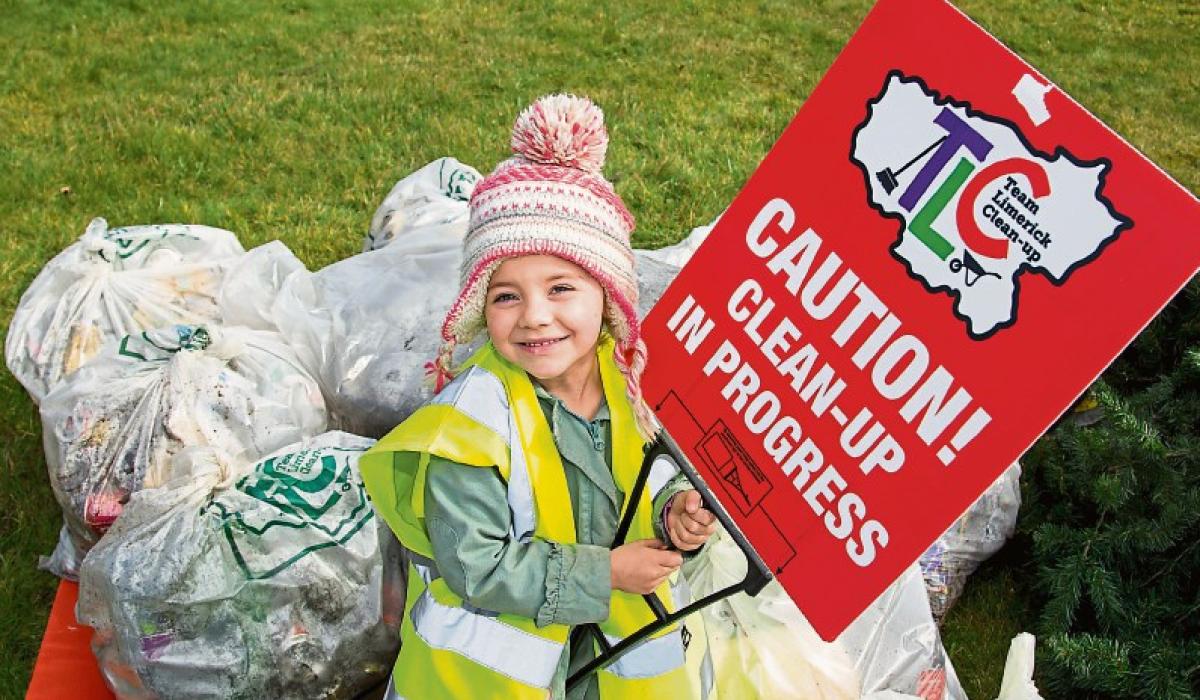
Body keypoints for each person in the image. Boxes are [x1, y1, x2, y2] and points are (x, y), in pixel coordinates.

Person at [360, 93, 717, 699]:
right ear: (481, 308)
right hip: (488, 682)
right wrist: (605, 574)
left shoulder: (634, 389)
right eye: (506, 296)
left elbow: (650, 476)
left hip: (605, 670)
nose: (534, 316)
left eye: (561, 288)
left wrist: (675, 514)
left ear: (608, 296)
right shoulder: (470, 424)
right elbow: (475, 565)